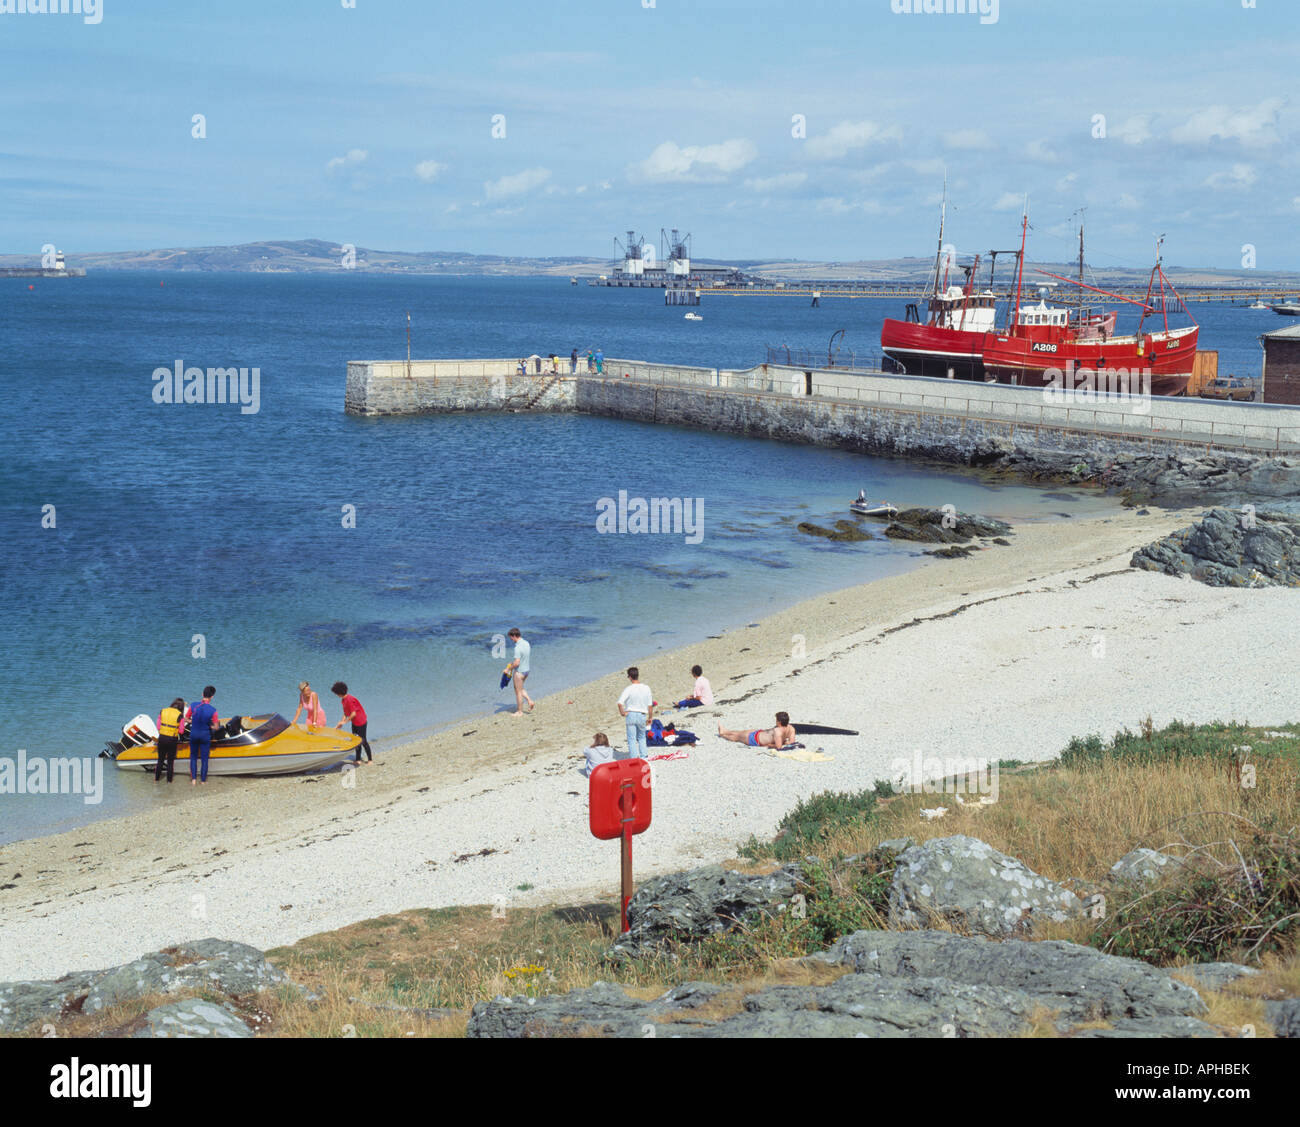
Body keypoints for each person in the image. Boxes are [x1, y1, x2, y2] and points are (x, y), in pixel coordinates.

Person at [617, 667, 654, 760]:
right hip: (642, 714)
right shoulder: (646, 688)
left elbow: (620, 703)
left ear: (630, 677)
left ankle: (634, 758)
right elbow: (650, 705)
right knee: (642, 737)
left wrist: (622, 713)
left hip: (631, 714)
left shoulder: (629, 689)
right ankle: (644, 756)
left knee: (631, 739)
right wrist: (650, 717)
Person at [187, 686, 221, 786]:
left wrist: (192, 721)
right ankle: (203, 781)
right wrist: (209, 725)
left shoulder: (193, 705)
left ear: (202, 694)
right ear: (212, 697)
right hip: (205, 735)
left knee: (193, 757)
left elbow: (186, 718)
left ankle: (193, 780)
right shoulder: (213, 710)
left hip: (194, 734)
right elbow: (216, 727)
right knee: (204, 759)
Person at [332, 682, 373, 763]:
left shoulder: (349, 699)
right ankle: (358, 759)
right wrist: (341, 723)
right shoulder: (343, 700)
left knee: (363, 741)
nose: (336, 695)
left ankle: (370, 760)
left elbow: (353, 713)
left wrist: (345, 722)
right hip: (354, 722)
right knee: (355, 740)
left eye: (336, 693)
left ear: (339, 693)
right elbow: (346, 713)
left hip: (361, 721)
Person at [718, 711, 796, 749]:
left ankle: (723, 735)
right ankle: (725, 731)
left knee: (737, 737)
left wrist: (769, 745)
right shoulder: (791, 728)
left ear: (779, 722)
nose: (775, 721)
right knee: (740, 732)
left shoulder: (778, 731)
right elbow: (792, 742)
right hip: (759, 733)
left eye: (776, 720)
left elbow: (778, 747)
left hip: (755, 739)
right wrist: (785, 742)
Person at [154, 697, 186, 783]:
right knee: (170, 762)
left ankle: (156, 780)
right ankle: (169, 782)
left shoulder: (163, 711)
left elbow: (158, 727)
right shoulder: (180, 715)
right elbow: (181, 731)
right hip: (172, 739)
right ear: (181, 707)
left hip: (162, 738)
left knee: (160, 760)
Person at [505, 627, 534, 715]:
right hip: (527, 670)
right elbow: (523, 657)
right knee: (520, 689)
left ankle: (520, 711)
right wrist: (512, 663)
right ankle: (530, 701)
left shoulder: (517, 647)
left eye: (511, 637)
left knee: (518, 692)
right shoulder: (526, 643)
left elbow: (517, 663)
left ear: (514, 636)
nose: (511, 639)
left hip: (519, 672)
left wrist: (508, 669)